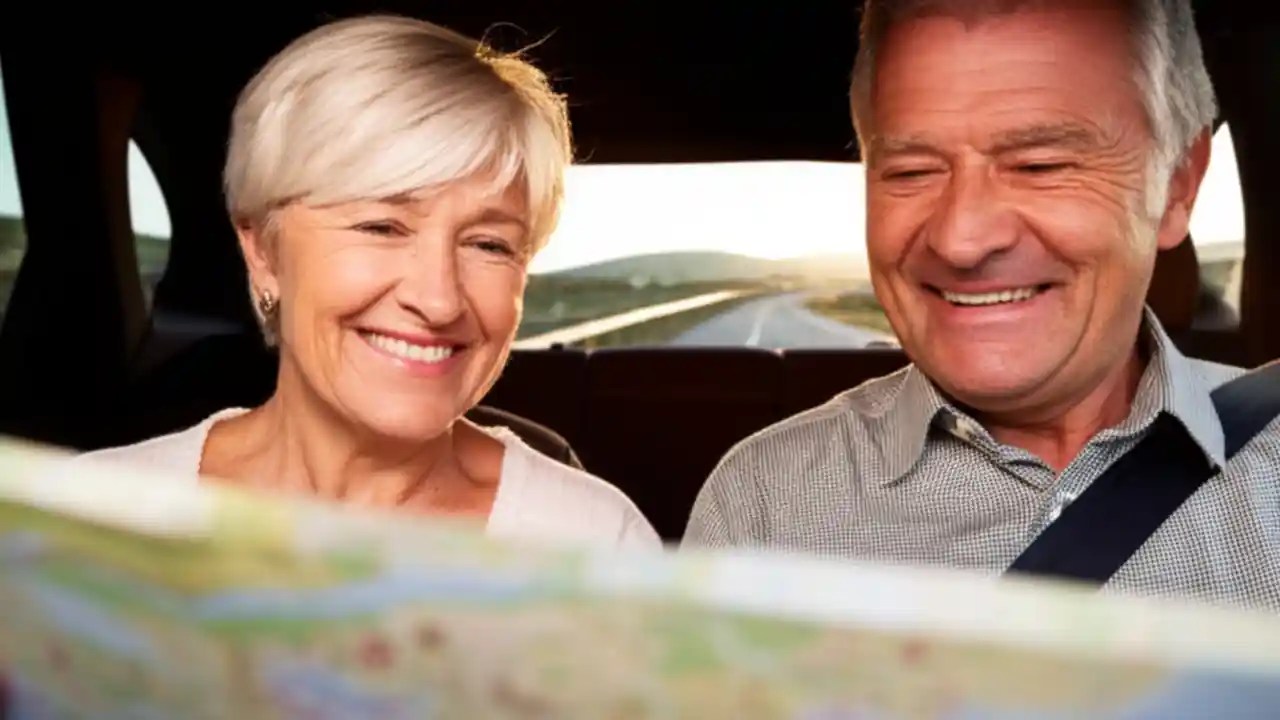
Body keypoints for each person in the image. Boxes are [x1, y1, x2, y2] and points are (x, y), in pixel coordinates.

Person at [684, 0, 1280, 609]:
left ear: (1178, 184)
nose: (961, 239)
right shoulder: (764, 508)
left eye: (1039, 165)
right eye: (911, 172)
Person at [77, 14, 661, 551]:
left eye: (488, 244)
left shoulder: (597, 541)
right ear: (262, 251)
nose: (437, 300)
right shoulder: (82, 524)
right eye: (381, 226)